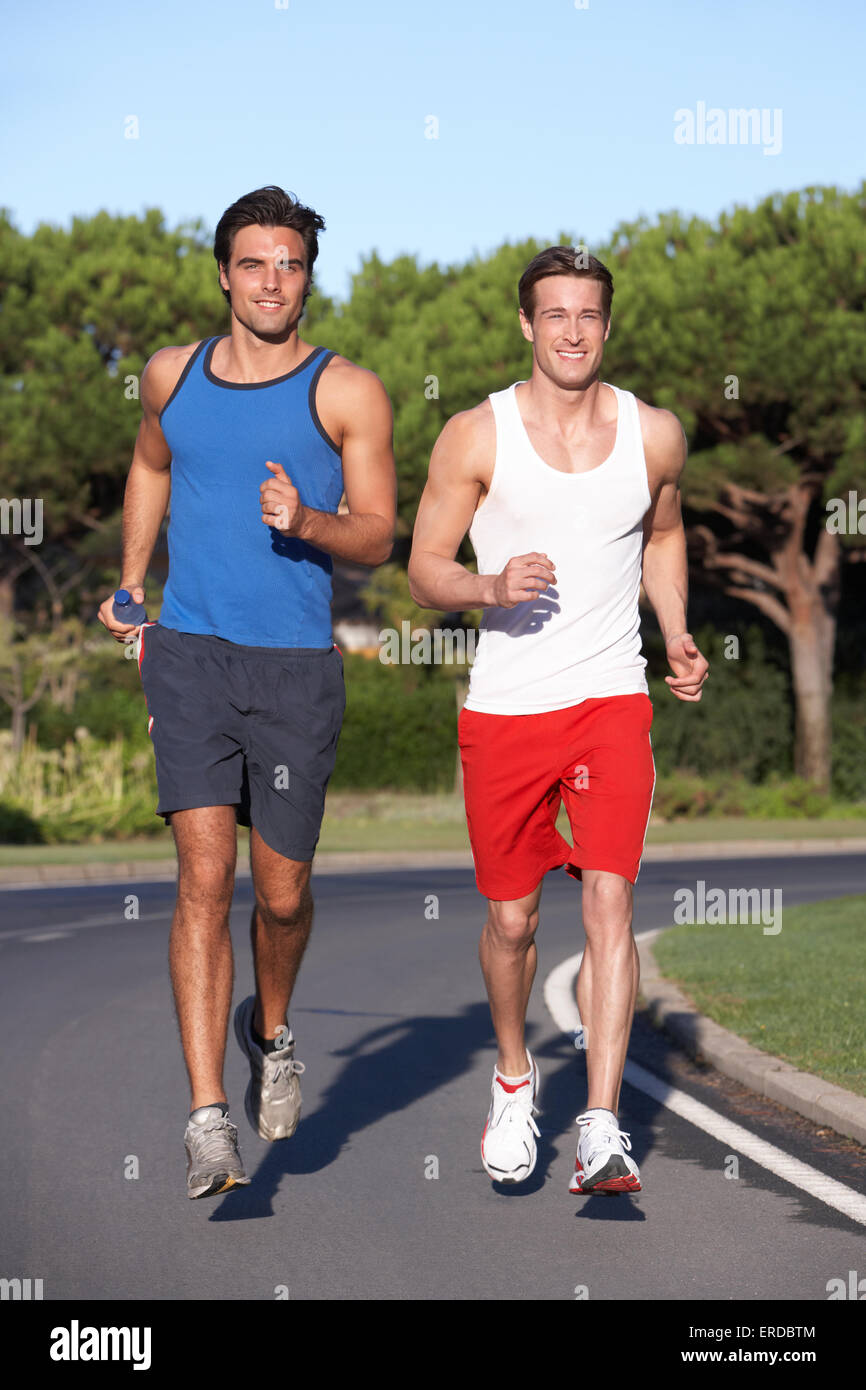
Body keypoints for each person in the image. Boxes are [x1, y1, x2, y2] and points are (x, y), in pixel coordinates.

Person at [98, 186, 396, 1199]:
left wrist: (307, 519)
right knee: (198, 879)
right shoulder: (170, 374)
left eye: (292, 264)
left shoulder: (346, 390)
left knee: (280, 895)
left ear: (307, 277)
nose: (273, 281)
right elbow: (150, 466)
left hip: (293, 671)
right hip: (187, 655)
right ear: (223, 273)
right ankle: (205, 1117)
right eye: (255, 262)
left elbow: (378, 533)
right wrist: (133, 583)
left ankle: (269, 1032)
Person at [408, 245, 708, 1193]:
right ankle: (512, 1080)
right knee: (511, 919)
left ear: (606, 327)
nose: (573, 331)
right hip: (507, 706)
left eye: (589, 316)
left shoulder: (653, 435)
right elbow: (422, 569)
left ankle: (602, 1123)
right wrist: (490, 583)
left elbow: (664, 533)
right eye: (556, 315)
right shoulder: (474, 435)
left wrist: (677, 629)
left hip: (611, 695)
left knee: (610, 896)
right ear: (527, 326)